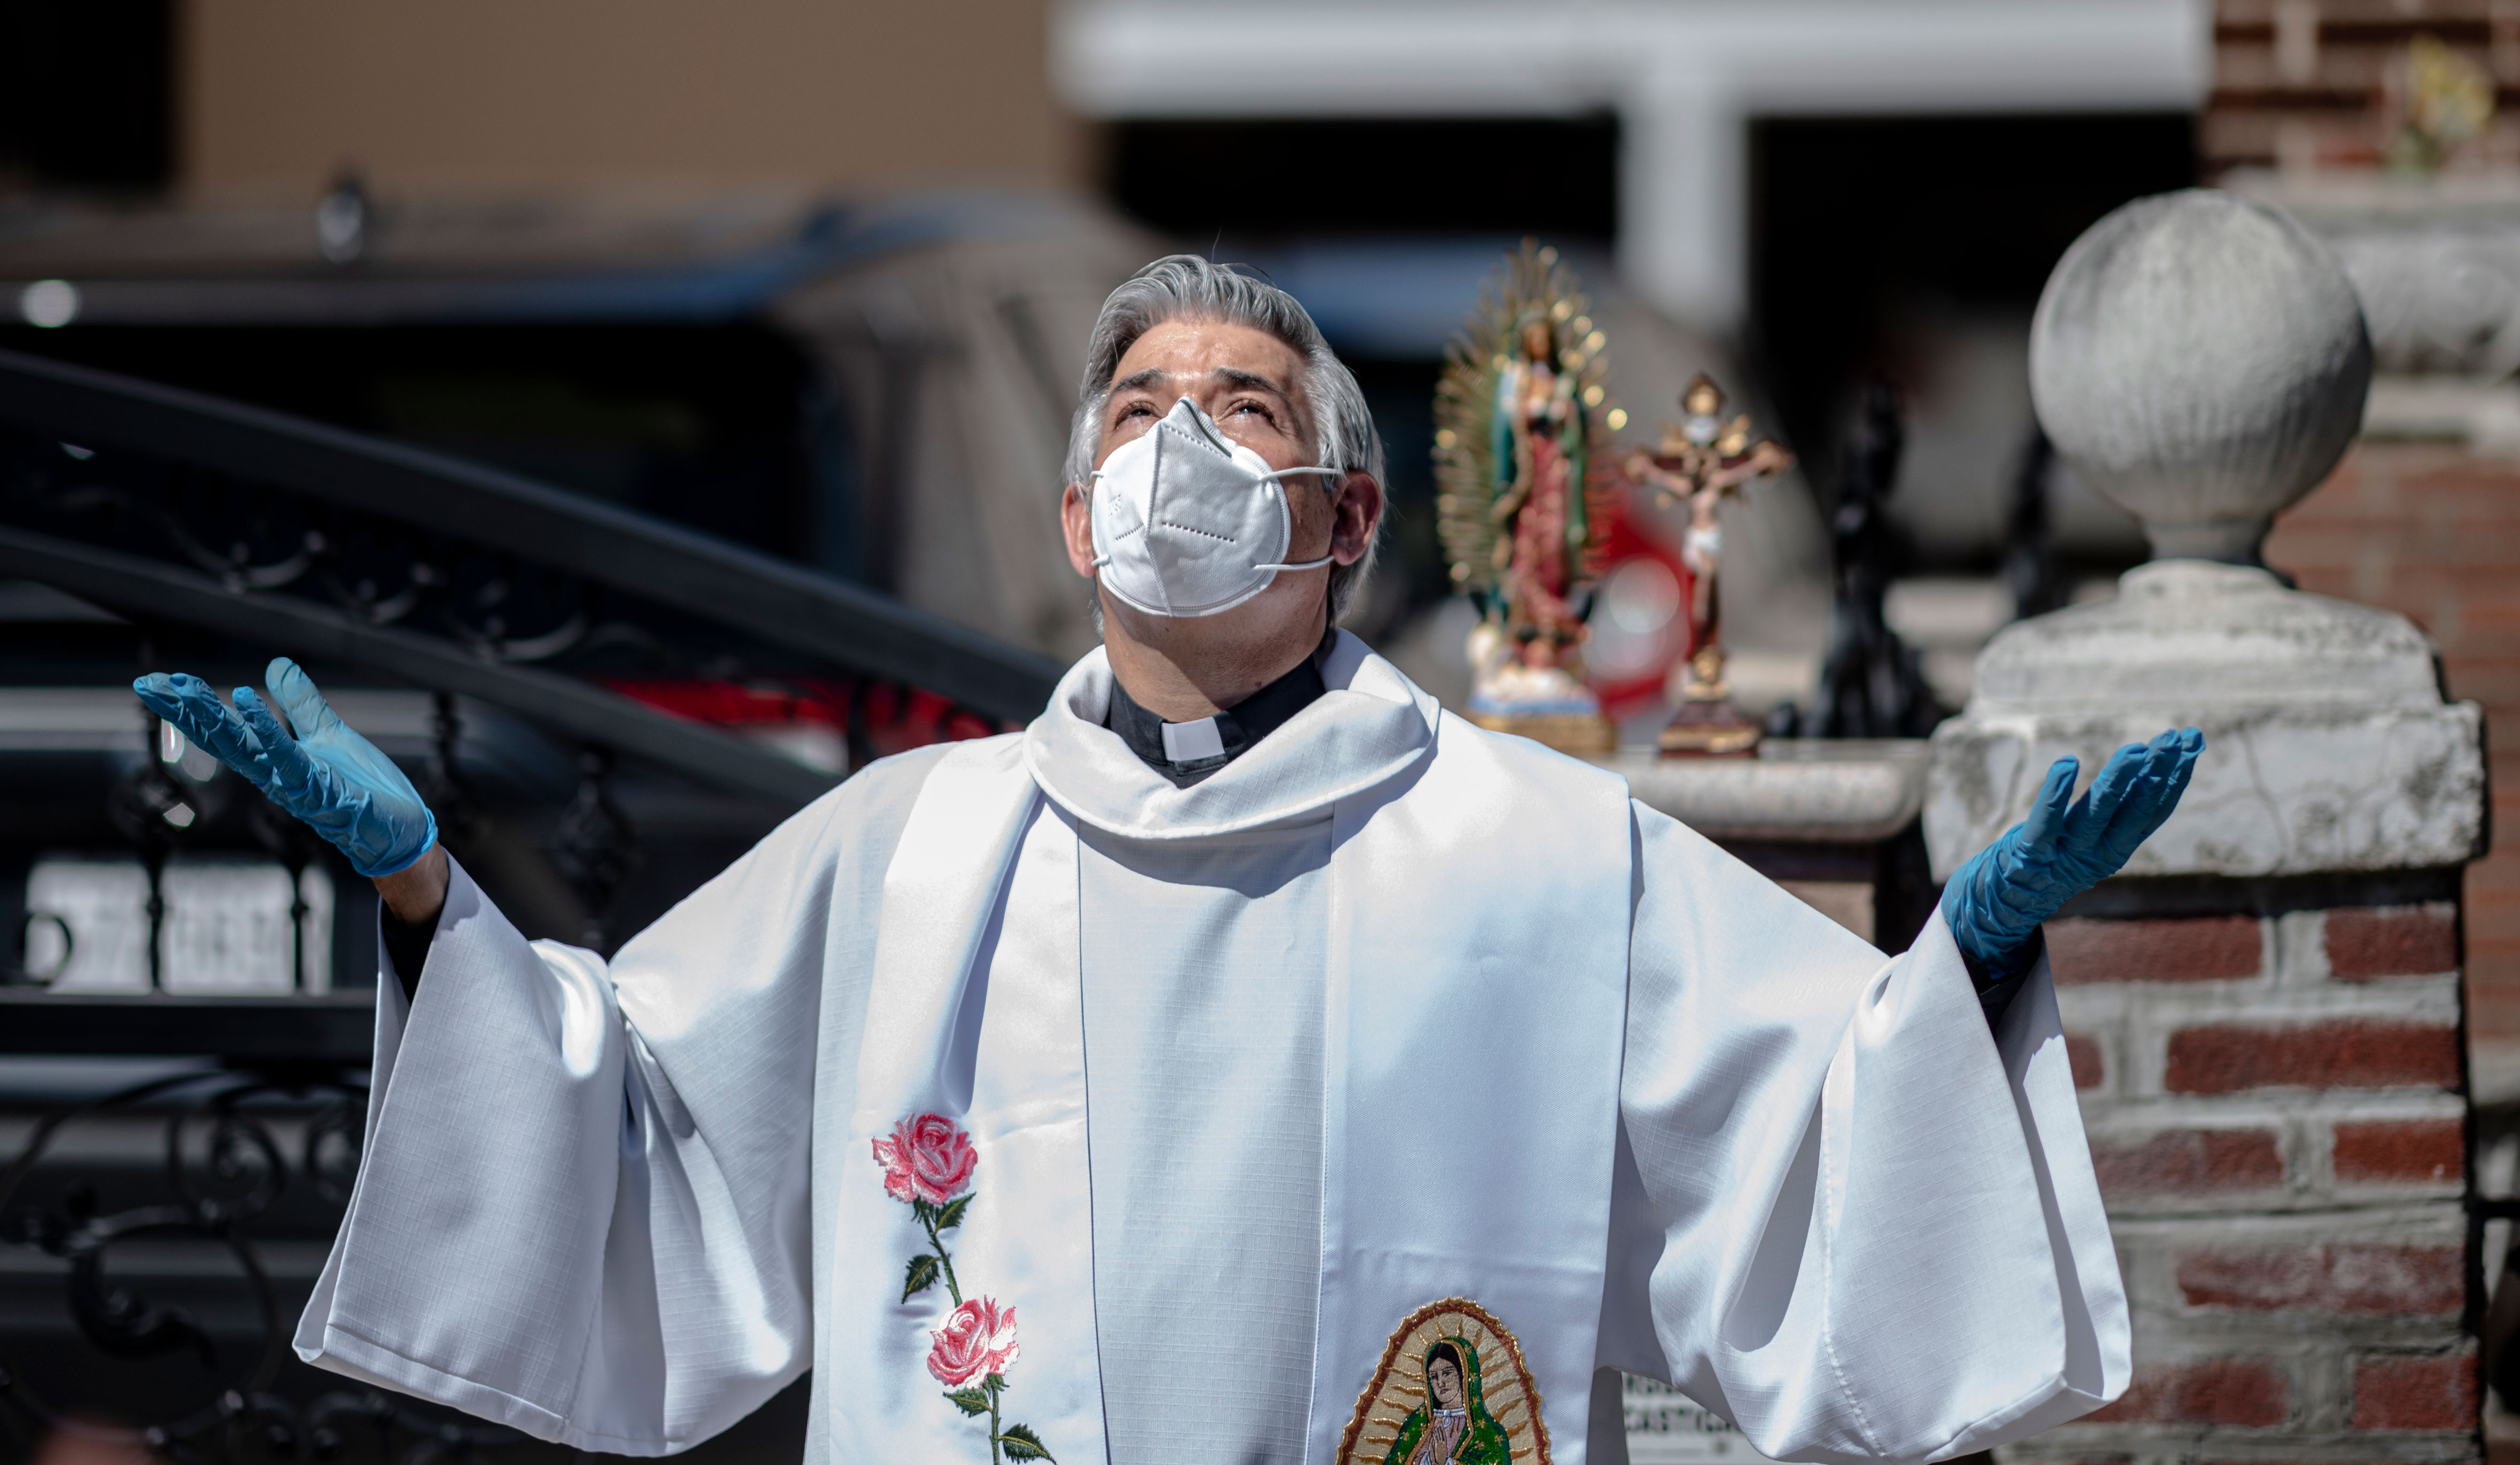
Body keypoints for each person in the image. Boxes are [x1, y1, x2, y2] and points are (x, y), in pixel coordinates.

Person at [137, 256, 2202, 1465]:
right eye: (1135, 409)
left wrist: (1965, 964)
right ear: (1077, 520)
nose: (1179, 444)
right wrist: (429, 898)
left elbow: (1816, 1138)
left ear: (1346, 518)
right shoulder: (908, 850)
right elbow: (641, 1129)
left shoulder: (1542, 856)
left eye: (1241, 407)